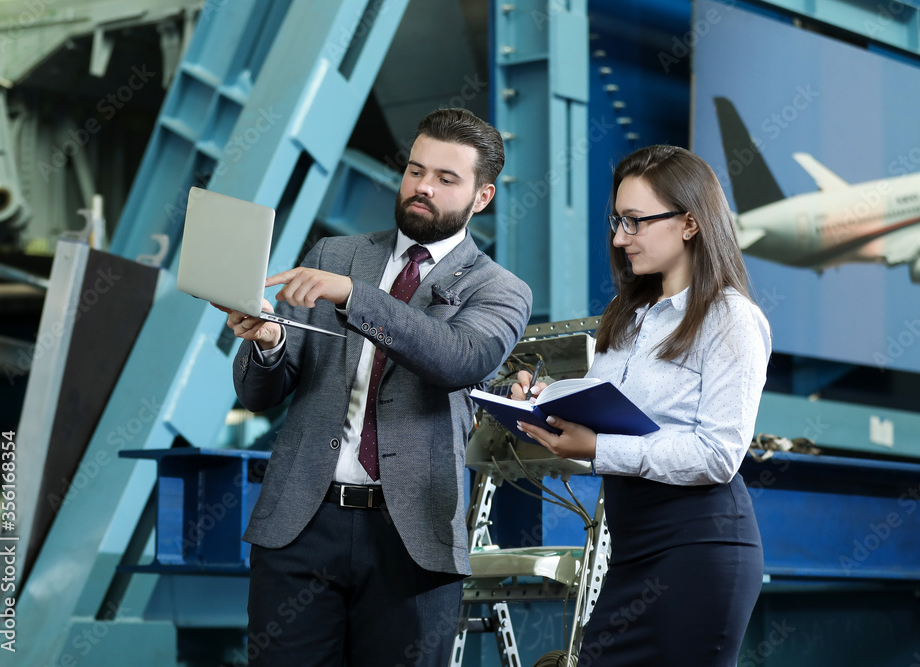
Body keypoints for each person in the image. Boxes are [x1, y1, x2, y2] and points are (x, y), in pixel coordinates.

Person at [220, 108, 532, 667]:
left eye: (446, 178)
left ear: (481, 197)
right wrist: (268, 341)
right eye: (416, 170)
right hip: (300, 527)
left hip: (412, 537)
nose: (423, 187)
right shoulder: (334, 255)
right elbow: (260, 395)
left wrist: (353, 295)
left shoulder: (499, 289)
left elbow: (457, 359)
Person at [514, 145, 771, 666]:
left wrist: (598, 448)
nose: (619, 238)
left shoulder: (731, 319)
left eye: (634, 222)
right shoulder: (625, 313)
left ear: (690, 223)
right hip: (631, 552)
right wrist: (547, 403)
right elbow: (612, 412)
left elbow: (719, 454)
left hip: (701, 548)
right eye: (617, 221)